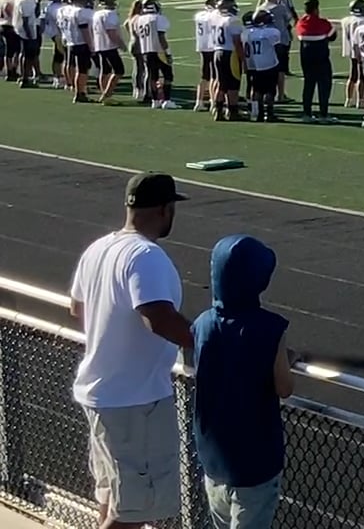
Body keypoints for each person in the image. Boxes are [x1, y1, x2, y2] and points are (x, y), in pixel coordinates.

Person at [69, 172, 194, 529]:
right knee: (133, 514)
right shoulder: (146, 255)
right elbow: (157, 317)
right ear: (165, 210)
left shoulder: (98, 248)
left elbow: (77, 307)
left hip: (103, 395)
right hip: (134, 403)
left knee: (111, 500)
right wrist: (209, 342)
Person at [191, 235, 293, 529]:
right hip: (255, 463)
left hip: (214, 461)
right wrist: (287, 358)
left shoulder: (202, 324)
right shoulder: (270, 328)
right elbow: (284, 387)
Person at [294, 0, 336, 121]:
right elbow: (332, 36)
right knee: (324, 85)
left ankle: (307, 113)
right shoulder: (323, 23)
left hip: (306, 58)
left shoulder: (301, 23)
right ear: (316, 9)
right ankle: (323, 113)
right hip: (321, 57)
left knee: (309, 85)